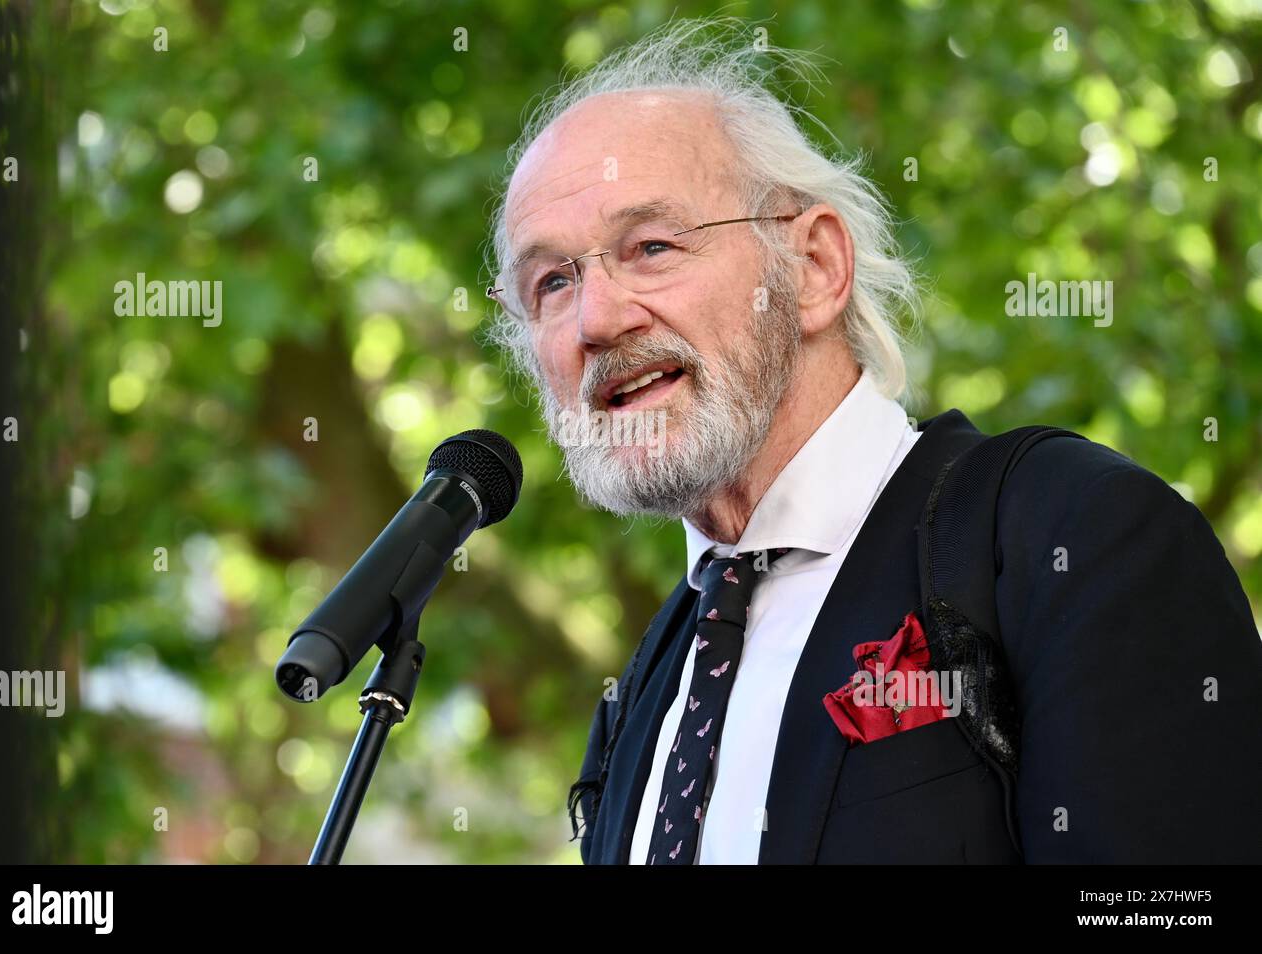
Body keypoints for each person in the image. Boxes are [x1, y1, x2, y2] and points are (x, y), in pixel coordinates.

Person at [483, 17, 1262, 863]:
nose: (596, 319)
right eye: (551, 282)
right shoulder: (649, 684)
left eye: (653, 246)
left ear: (814, 268)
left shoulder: (1073, 534)